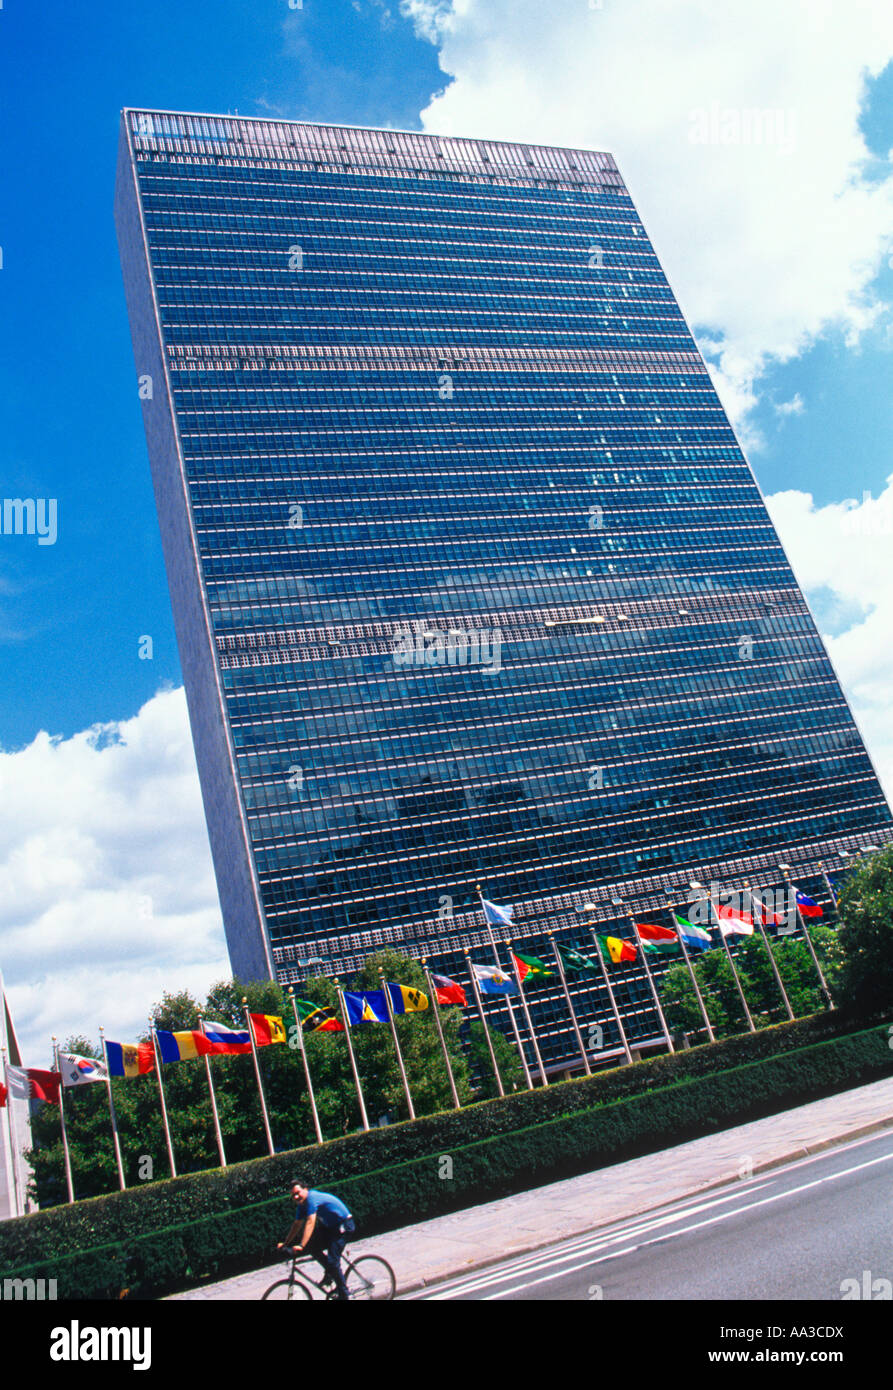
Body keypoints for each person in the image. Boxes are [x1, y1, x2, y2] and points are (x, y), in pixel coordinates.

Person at [278, 1180, 355, 1300]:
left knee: (333, 1262)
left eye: (298, 1192)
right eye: (293, 1195)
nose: (296, 1196)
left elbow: (310, 1222)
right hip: (330, 1227)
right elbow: (297, 1225)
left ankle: (345, 1294)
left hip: (343, 1225)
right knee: (313, 1248)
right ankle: (330, 1273)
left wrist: (301, 1245)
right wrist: (285, 1243)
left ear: (305, 1189)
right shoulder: (302, 1205)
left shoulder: (312, 1199)